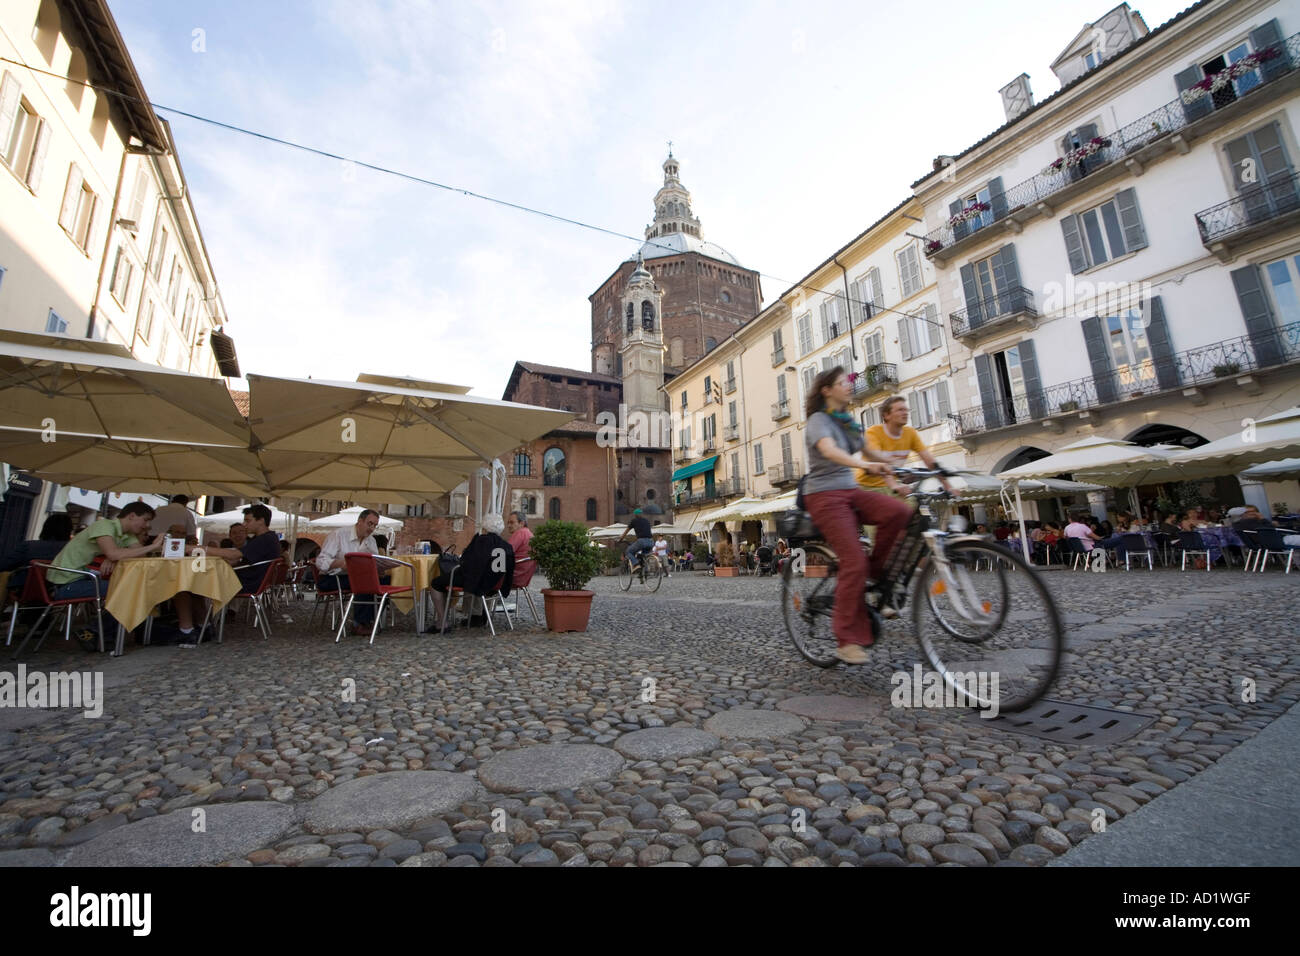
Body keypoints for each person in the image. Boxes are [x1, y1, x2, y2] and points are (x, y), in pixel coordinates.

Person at [802, 366, 911, 666]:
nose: (849, 386)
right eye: (843, 382)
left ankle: (877, 573)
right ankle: (846, 639)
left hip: (850, 491)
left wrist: (895, 471)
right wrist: (864, 466)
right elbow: (831, 451)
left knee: (900, 512)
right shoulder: (818, 421)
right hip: (824, 496)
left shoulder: (847, 422)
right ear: (827, 390)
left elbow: (872, 452)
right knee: (853, 560)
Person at [46, 502, 165, 643]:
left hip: (85, 579)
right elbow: (115, 553)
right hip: (65, 584)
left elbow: (140, 559)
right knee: (129, 590)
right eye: (146, 520)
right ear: (132, 516)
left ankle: (109, 633)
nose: (147, 526)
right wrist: (117, 555)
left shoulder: (127, 535)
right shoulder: (104, 525)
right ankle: (95, 631)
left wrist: (115, 558)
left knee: (134, 588)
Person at [429, 515, 515, 631]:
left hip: (478, 581)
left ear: (484, 527)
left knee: (436, 583)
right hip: (495, 584)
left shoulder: (480, 541)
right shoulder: (507, 546)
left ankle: (442, 622)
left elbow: (465, 562)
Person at [858, 396, 957, 496]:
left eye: (906, 410)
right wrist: (893, 485)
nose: (905, 413)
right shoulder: (874, 432)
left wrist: (947, 486)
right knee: (902, 508)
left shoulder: (910, 433)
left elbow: (930, 461)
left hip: (892, 487)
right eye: (900, 410)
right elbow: (878, 460)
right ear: (886, 415)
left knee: (915, 502)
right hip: (867, 486)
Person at [314, 508, 383, 636]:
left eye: (375, 526)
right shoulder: (339, 535)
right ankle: (359, 623)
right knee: (364, 582)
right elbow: (321, 562)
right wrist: (342, 563)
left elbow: (374, 563)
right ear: (360, 521)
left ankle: (370, 620)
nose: (372, 528)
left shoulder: (371, 541)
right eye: (370, 524)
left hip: (355, 578)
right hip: (331, 578)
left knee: (384, 582)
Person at [1, 512, 73, 595]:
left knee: (5, 576)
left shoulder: (28, 546)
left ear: (45, 528)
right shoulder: (72, 550)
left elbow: (5, 564)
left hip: (24, 590)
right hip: (58, 592)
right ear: (69, 531)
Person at [504, 511, 533, 589]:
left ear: (522, 523)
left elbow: (505, 553)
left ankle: (492, 600)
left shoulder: (520, 533)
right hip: (523, 577)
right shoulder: (529, 533)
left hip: (512, 576)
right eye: (508, 523)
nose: (509, 525)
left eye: (512, 522)